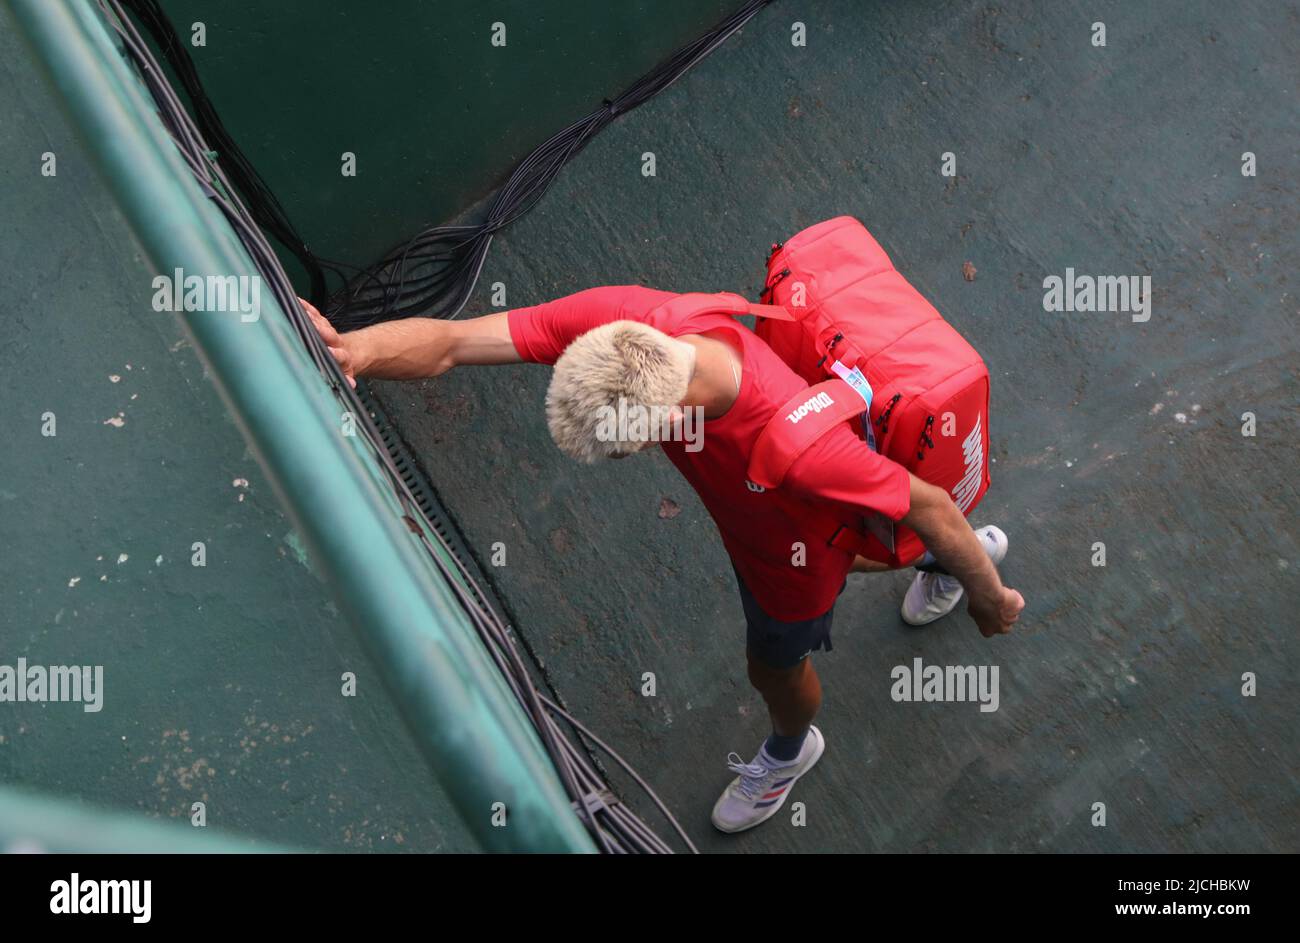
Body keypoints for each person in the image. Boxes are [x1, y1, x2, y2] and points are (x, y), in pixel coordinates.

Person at [301, 286, 1025, 833]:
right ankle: (947, 565)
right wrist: (356, 351)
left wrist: (992, 600)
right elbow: (457, 341)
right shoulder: (633, 320)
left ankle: (789, 748)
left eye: (629, 447)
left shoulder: (798, 449)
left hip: (790, 560)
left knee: (773, 664)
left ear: (664, 422)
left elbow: (928, 502)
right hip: (785, 518)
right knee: (876, 547)